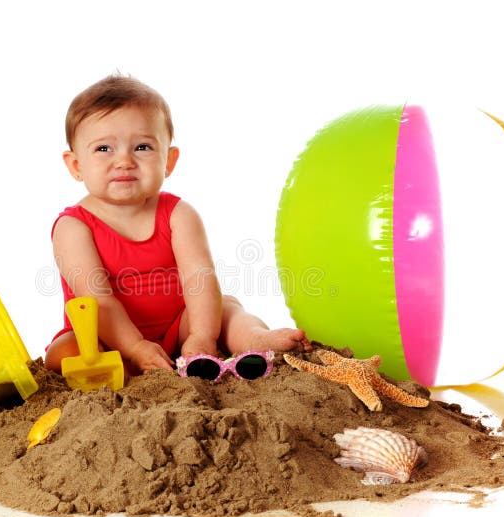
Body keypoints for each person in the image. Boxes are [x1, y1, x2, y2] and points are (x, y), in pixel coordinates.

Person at [45, 74, 311, 375]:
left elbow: (199, 278)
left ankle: (254, 339)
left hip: (179, 325)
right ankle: (130, 365)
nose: (124, 161)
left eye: (142, 147)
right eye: (104, 149)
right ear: (76, 165)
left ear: (169, 160)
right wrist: (134, 346)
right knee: (67, 351)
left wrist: (201, 334)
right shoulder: (73, 227)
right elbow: (97, 300)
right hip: (108, 336)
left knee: (226, 310)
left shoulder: (178, 214)